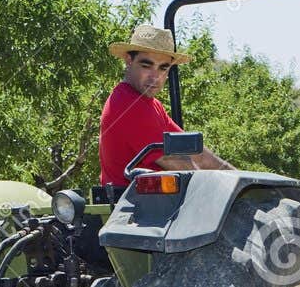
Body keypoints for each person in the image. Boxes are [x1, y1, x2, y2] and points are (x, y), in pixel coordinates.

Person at [98, 24, 234, 187]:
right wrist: (227, 189)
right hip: (134, 200)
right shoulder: (128, 104)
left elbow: (195, 152)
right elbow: (183, 167)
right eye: (146, 65)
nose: (155, 77)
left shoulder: (152, 105)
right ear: (129, 60)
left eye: (163, 68)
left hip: (156, 199)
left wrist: (239, 177)